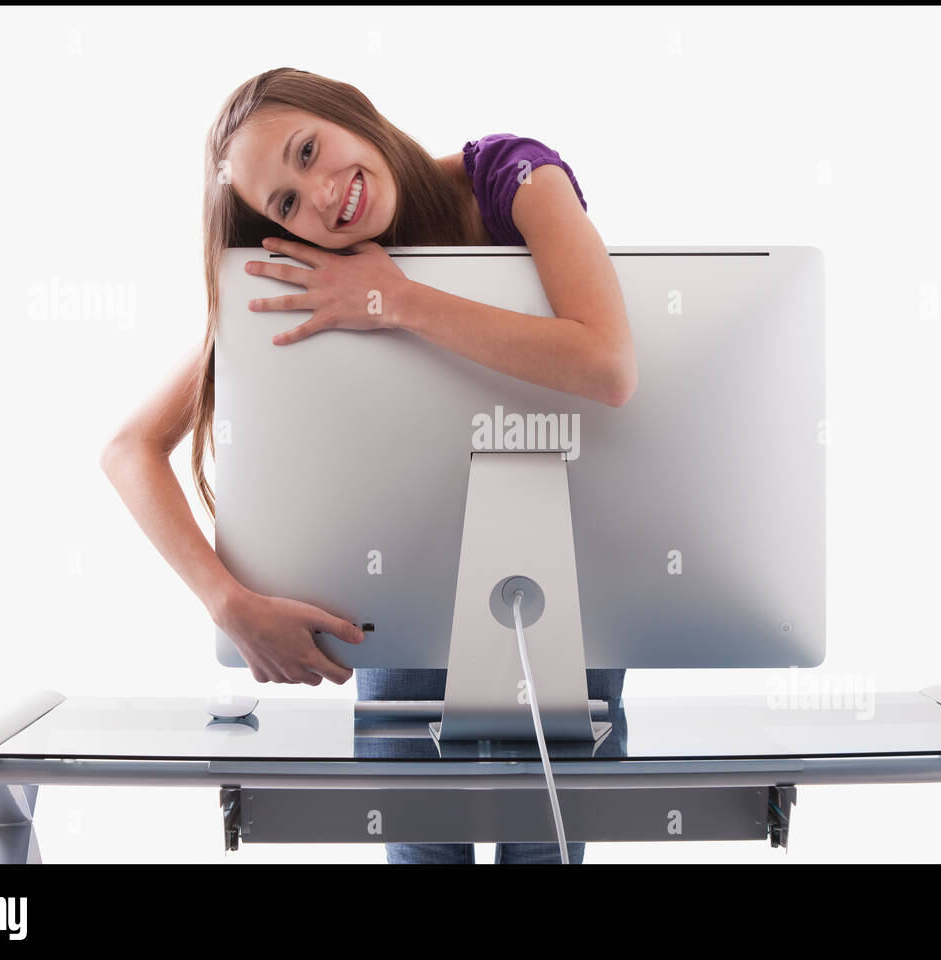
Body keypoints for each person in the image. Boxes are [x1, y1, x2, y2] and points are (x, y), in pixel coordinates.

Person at [99, 67, 637, 864]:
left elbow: (607, 363)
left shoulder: (512, 176)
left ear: (347, 110)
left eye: (309, 150)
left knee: (548, 849)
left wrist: (394, 298)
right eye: (285, 202)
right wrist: (229, 603)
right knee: (420, 849)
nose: (321, 195)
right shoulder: (314, 271)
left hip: (554, 589)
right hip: (400, 613)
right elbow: (129, 449)